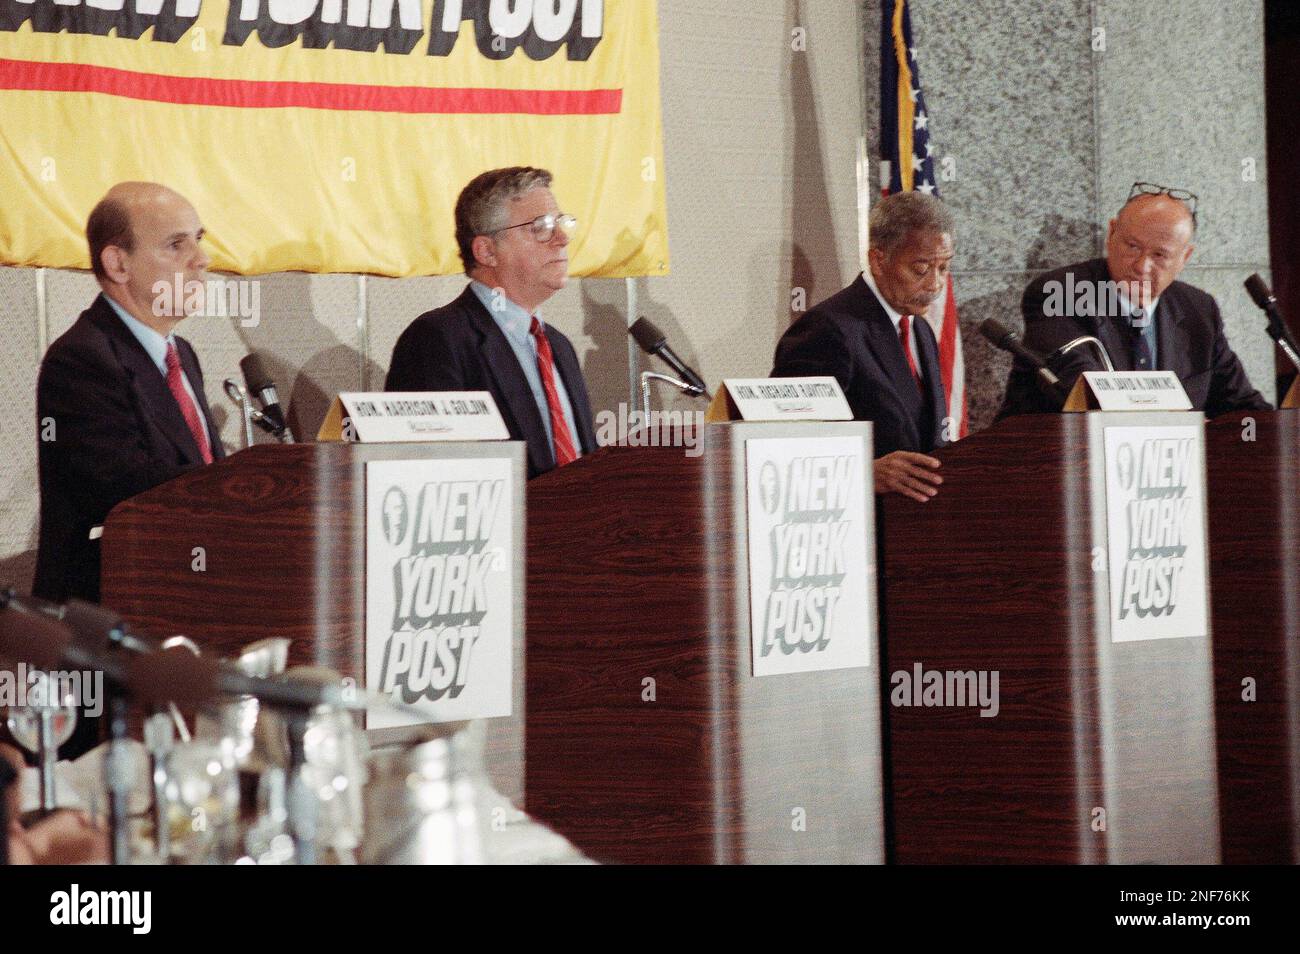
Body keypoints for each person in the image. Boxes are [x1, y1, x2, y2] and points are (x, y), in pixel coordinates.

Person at [31, 182, 223, 759]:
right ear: (117, 262)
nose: (200, 260)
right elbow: (130, 489)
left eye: (199, 240)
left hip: (183, 610)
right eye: (174, 244)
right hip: (107, 632)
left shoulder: (178, 352)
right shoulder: (83, 359)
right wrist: (238, 494)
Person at [385, 167, 597, 479]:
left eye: (561, 223)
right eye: (541, 227)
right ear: (486, 251)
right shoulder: (438, 340)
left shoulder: (558, 346)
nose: (562, 239)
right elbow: (430, 476)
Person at [998, 183, 1270, 418]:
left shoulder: (1198, 310)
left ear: (1184, 257)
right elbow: (1086, 390)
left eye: (1160, 255)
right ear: (1112, 233)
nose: (1142, 266)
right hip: (1052, 465)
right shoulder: (1061, 293)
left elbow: (1240, 405)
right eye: (1132, 246)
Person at [771, 191, 952, 502]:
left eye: (944, 268)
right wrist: (863, 472)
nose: (935, 283)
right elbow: (785, 443)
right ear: (878, 260)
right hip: (856, 527)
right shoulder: (828, 330)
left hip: (916, 530)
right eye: (921, 269)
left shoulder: (919, 329)